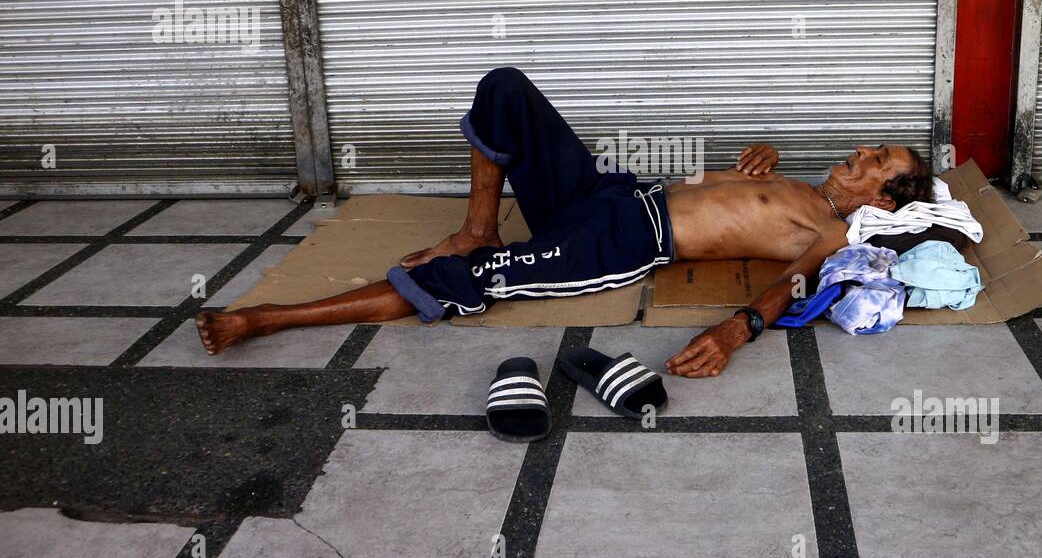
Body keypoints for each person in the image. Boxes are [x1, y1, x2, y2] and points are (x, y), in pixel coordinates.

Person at [196, 67, 932, 377]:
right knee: (505, 89)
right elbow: (741, 195)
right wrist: (765, 160)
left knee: (465, 283)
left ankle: (269, 320)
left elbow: (796, 287)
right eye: (869, 144)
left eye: (877, 158)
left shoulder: (837, 234)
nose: (861, 150)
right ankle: (480, 224)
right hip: (612, 195)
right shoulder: (803, 183)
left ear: (887, 201)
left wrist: (735, 332)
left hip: (622, 240)